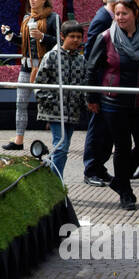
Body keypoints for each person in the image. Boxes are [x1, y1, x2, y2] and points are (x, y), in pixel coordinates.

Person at [87, 0, 139, 211]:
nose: (120, 17)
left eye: (124, 13)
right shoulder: (106, 37)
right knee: (122, 147)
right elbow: (92, 68)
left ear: (135, 14)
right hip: (114, 102)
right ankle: (126, 192)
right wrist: (92, 97)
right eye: (117, 13)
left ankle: (119, 180)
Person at [82, 0, 134, 186]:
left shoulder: (111, 18)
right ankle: (91, 169)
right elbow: (91, 54)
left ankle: (99, 167)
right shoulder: (103, 19)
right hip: (102, 84)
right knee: (98, 130)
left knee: (107, 131)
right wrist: (93, 93)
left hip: (109, 84)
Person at [2, 0, 59, 151]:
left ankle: (57, 141)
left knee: (50, 104)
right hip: (27, 67)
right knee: (20, 103)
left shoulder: (53, 18)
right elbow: (23, 42)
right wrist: (11, 35)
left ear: (44, 0)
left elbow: (60, 42)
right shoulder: (27, 19)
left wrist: (43, 37)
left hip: (46, 68)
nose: (32, 0)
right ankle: (18, 140)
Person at [34, 21, 87, 179]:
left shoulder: (81, 59)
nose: (76, 40)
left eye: (79, 37)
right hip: (55, 110)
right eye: (72, 37)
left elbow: (84, 83)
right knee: (61, 146)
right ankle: (57, 182)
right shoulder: (51, 56)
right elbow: (39, 83)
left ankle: (49, 174)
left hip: (72, 111)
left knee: (62, 146)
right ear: (63, 36)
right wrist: (50, 101)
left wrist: (83, 102)